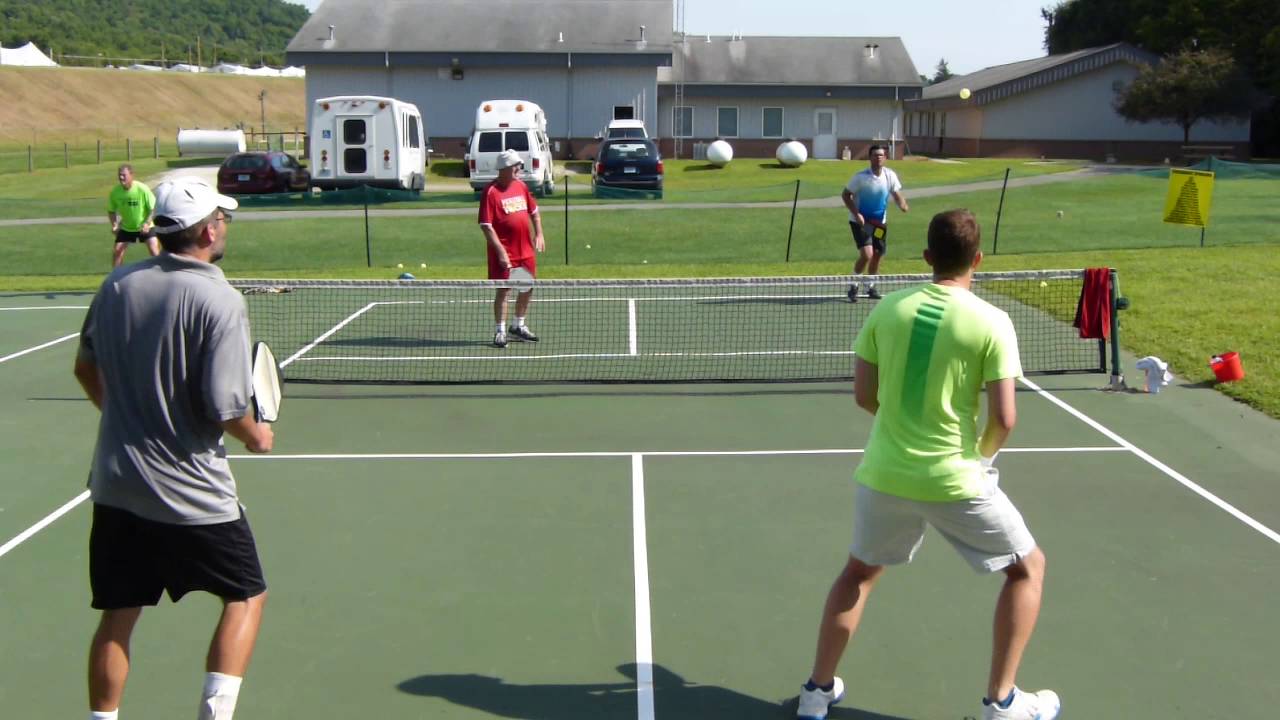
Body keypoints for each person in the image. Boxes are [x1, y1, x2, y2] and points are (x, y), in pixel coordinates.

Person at [795, 209, 1058, 720]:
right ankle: (1002, 702)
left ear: (927, 257)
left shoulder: (887, 310)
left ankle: (815, 693)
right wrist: (978, 457)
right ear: (978, 259)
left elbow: (865, 396)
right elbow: (1004, 418)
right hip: (957, 479)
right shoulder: (992, 322)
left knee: (858, 574)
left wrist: (901, 429)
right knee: (1028, 569)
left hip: (884, 475)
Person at [74, 177, 275, 720]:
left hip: (118, 487)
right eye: (223, 218)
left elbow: (85, 367)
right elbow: (225, 407)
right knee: (246, 596)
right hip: (192, 493)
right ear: (208, 229)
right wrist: (258, 435)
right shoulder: (219, 298)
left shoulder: (117, 285)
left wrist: (125, 420)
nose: (226, 226)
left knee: (118, 614)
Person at [479, 148, 545, 348]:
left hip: (525, 251)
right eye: (516, 165)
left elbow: (534, 212)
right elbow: (486, 226)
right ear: (505, 168)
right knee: (504, 291)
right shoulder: (491, 192)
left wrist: (539, 234)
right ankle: (500, 331)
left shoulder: (521, 187)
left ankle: (518, 326)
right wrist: (500, 253)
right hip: (505, 254)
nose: (519, 168)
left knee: (527, 287)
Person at [841, 144, 908, 302]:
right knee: (867, 255)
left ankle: (870, 286)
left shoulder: (889, 176)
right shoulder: (860, 177)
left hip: (879, 224)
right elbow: (845, 195)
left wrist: (902, 204)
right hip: (861, 223)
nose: (878, 158)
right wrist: (856, 214)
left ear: (885, 158)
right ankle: (853, 285)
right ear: (869, 158)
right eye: (874, 155)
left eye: (881, 155)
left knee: (877, 254)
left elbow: (896, 194)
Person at [106, 164, 159, 268]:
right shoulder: (115, 192)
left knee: (154, 250)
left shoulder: (142, 189)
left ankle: (162, 274)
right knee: (117, 251)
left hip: (145, 226)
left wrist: (147, 223)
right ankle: (116, 278)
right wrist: (115, 225)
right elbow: (111, 210)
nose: (121, 177)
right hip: (127, 227)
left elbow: (153, 208)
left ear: (131, 175)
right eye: (119, 175)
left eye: (124, 175)